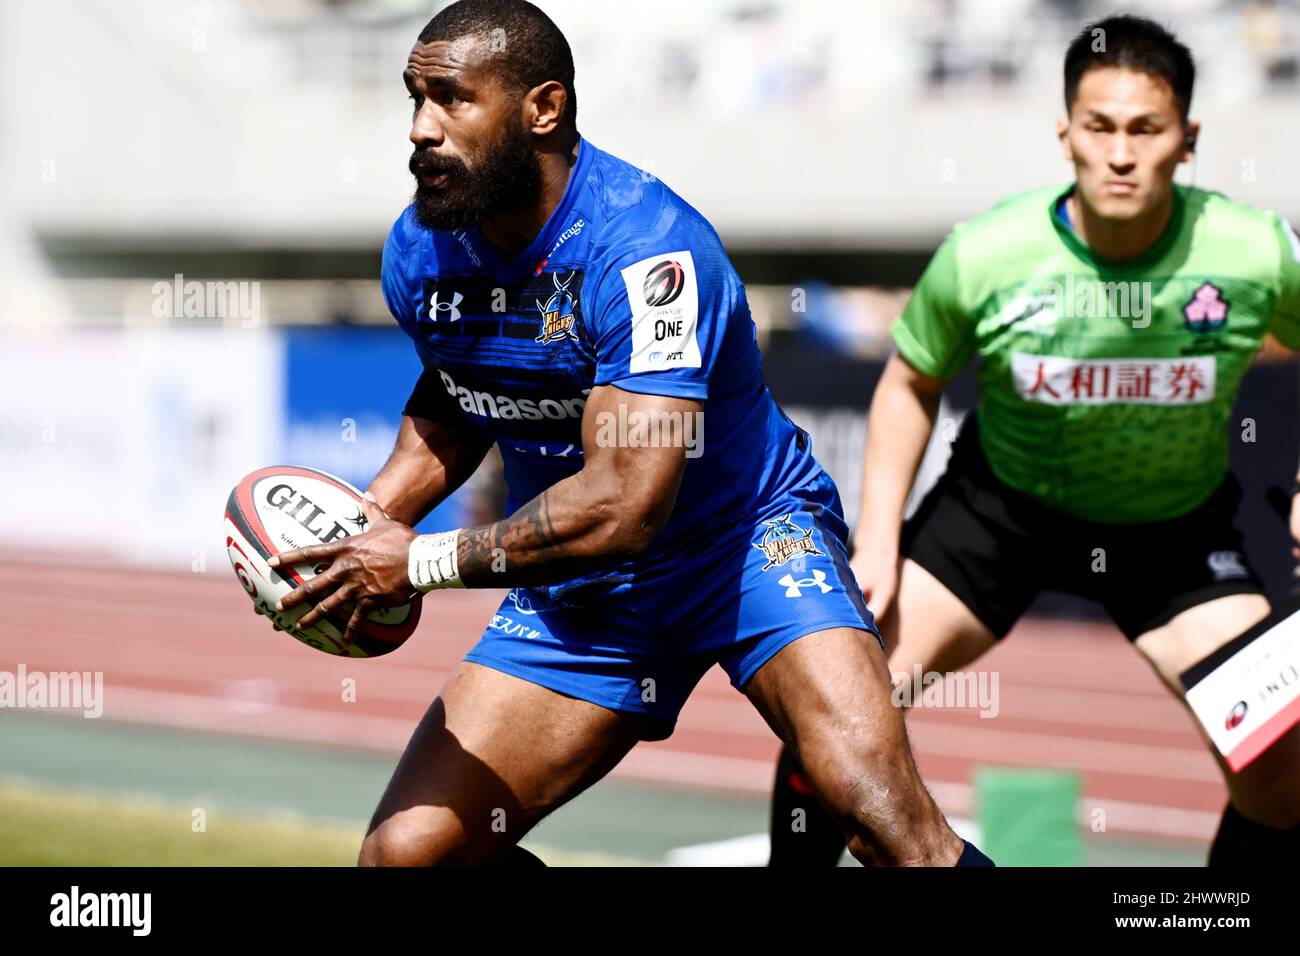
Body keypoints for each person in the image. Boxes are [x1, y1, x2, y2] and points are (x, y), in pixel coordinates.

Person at [259, 0, 989, 868]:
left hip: (747, 544)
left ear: (543, 108)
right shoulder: (423, 249)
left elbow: (626, 502)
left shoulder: (648, 252)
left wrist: (414, 561)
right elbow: (462, 393)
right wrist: (360, 529)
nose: (421, 128)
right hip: (585, 587)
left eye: (451, 99)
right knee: (410, 857)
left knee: (886, 822)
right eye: (414, 98)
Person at [768, 14, 1300, 867]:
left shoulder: (1255, 251)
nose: (1121, 154)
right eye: (1100, 128)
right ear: (1066, 134)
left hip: (1176, 533)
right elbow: (909, 381)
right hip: (999, 518)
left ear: (1188, 139)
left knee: (1282, 766)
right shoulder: (988, 251)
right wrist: (876, 536)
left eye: (1146, 129)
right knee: (835, 710)